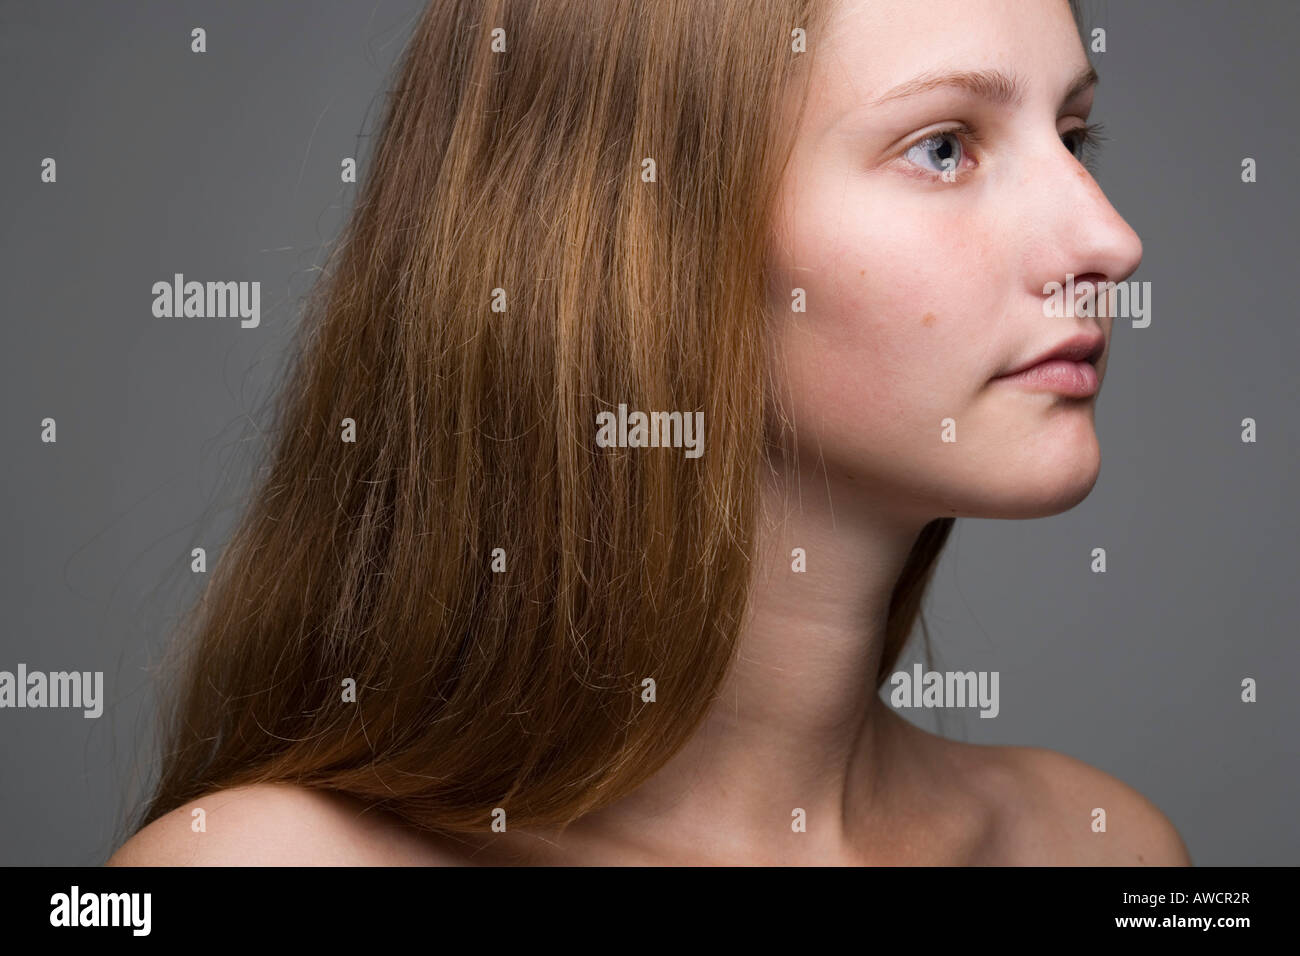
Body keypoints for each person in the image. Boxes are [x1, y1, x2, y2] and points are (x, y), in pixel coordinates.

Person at [109, 0, 1191, 866]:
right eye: (945, 146)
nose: (1109, 238)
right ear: (644, 240)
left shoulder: (1103, 850)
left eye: (1072, 132)